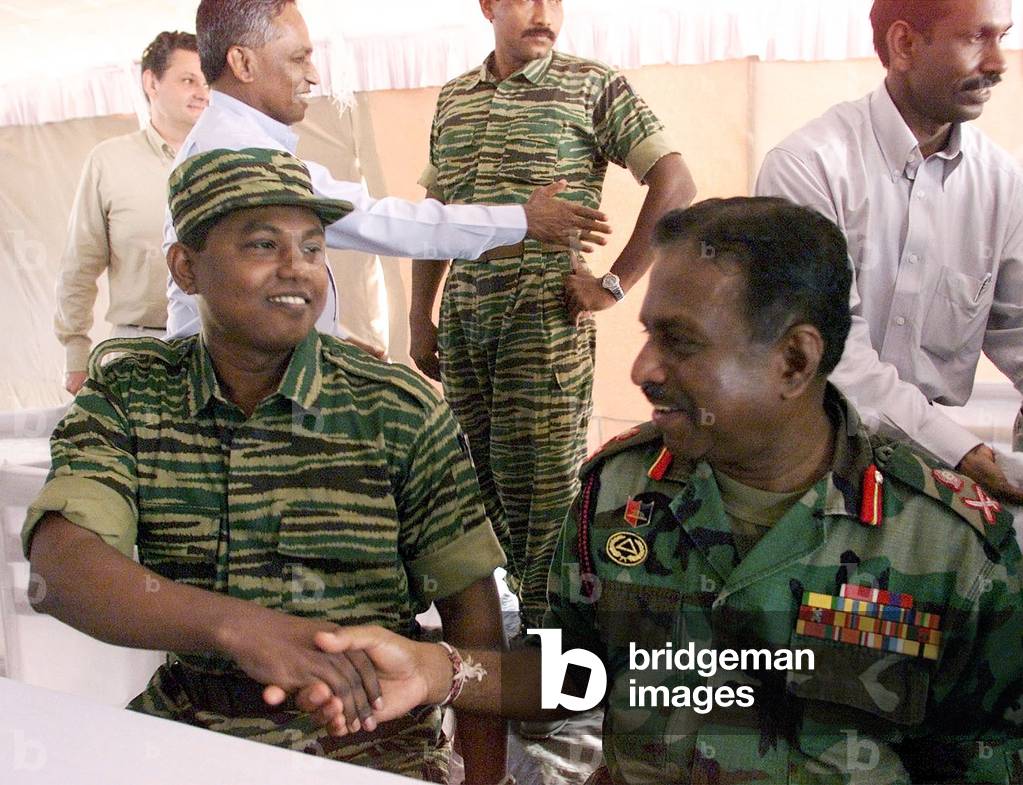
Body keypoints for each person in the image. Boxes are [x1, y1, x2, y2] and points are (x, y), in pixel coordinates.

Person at [314, 198, 1023, 784]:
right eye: (649, 334)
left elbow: (986, 755)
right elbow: (574, 675)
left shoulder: (948, 545)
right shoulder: (617, 492)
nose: (643, 369)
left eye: (679, 342)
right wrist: (438, 670)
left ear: (794, 359)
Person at [25, 148, 509, 784]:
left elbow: (473, 615)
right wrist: (240, 630)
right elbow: (61, 569)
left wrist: (486, 778)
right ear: (186, 267)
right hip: (185, 734)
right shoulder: (132, 395)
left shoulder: (394, 408)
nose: (297, 269)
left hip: (369, 747)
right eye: (262, 245)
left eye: (312, 248)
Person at [409, 0, 695, 631]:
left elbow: (676, 183)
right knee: (479, 492)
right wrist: (417, 317)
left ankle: (557, 647)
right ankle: (523, 636)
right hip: (464, 322)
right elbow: (433, 214)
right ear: (488, 6)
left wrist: (614, 284)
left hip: (540, 322)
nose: (543, 13)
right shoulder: (454, 98)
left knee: (543, 502)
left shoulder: (592, 85)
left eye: (555, 0)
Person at [164, 0, 610, 345]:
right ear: (243, 63)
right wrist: (522, 219)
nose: (313, 76)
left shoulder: (232, 141)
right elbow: (381, 223)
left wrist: (327, 338)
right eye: (298, 59)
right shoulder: (239, 156)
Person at [755, 0, 1023, 504]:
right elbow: (829, 350)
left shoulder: (1002, 185)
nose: (998, 63)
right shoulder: (808, 167)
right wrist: (961, 453)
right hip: (811, 472)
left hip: (936, 483)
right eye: (976, 38)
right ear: (904, 44)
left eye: (1001, 37)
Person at [55, 31, 209, 395]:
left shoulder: (231, 158)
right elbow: (80, 263)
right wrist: (76, 355)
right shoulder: (109, 161)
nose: (202, 92)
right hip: (135, 354)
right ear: (151, 83)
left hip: (218, 354)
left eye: (206, 82)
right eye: (188, 80)